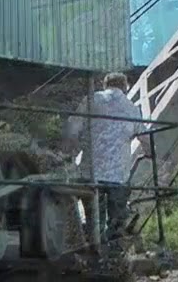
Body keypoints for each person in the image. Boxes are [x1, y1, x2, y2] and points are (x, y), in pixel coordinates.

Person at [63, 72, 148, 245]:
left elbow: (71, 130)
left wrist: (69, 152)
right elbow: (145, 138)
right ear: (125, 87)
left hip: (91, 173)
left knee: (94, 220)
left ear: (105, 85)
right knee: (117, 219)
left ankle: (95, 246)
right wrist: (150, 153)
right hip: (119, 176)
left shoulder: (91, 100)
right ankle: (115, 248)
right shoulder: (132, 108)